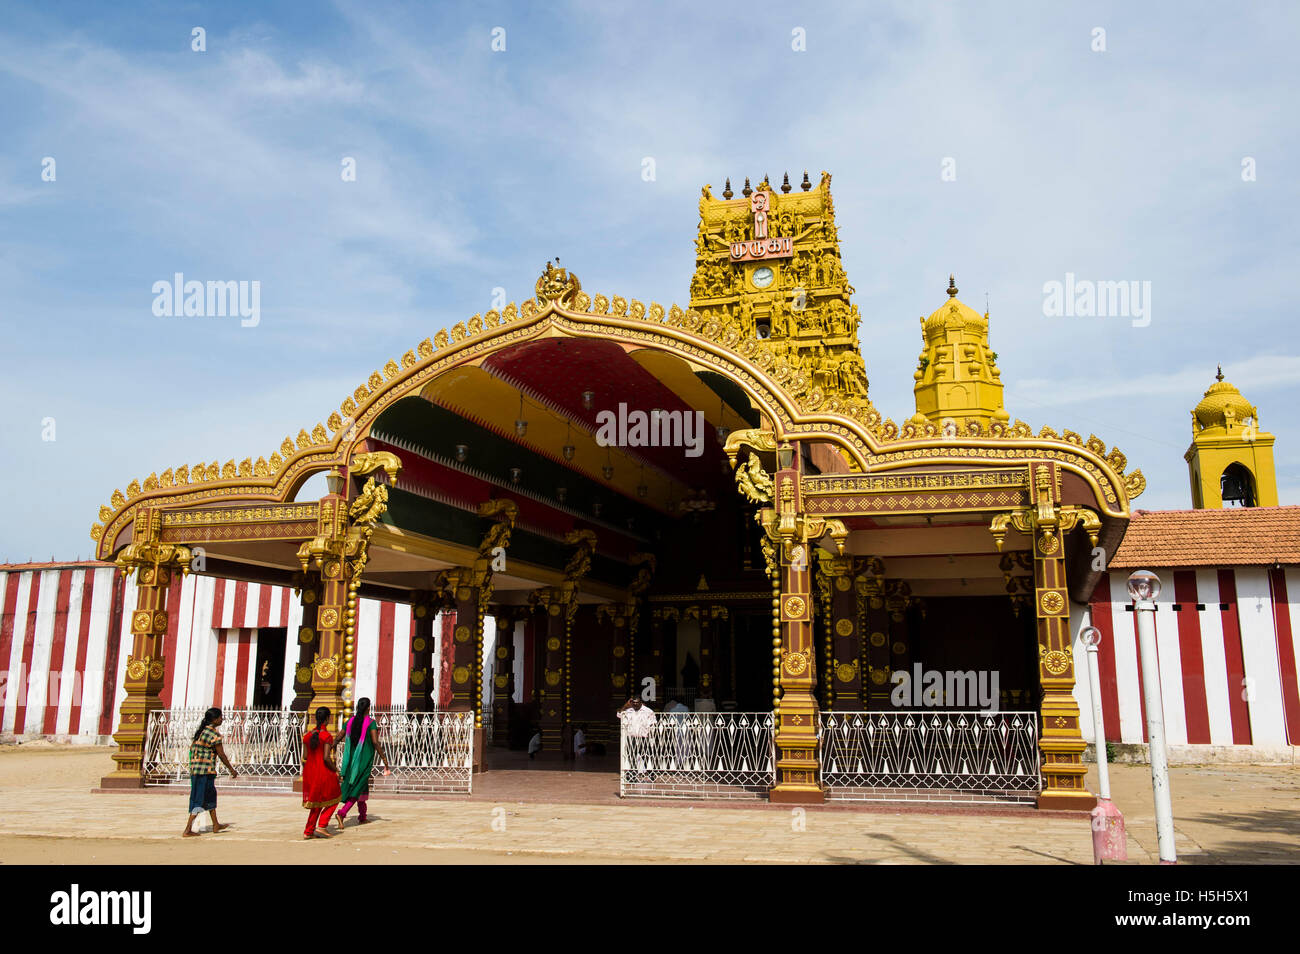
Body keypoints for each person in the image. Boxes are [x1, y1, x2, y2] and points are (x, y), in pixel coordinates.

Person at [335, 698, 390, 830]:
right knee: (357, 788)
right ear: (368, 708)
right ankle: (342, 813)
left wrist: (332, 745)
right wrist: (384, 759)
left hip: (350, 761)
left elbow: (339, 736)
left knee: (361, 787)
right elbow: (375, 742)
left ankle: (362, 817)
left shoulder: (349, 722)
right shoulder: (371, 723)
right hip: (363, 761)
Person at [183, 706, 237, 837]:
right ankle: (188, 829)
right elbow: (221, 754)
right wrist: (231, 769)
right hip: (204, 771)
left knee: (210, 796)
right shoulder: (213, 735)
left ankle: (215, 824)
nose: (222, 719)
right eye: (220, 717)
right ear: (215, 719)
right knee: (199, 799)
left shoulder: (201, 732)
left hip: (198, 770)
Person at [301, 706, 341, 839]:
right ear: (327, 719)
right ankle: (322, 825)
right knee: (335, 796)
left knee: (316, 801)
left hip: (310, 771)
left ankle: (309, 830)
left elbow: (305, 757)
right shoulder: (326, 736)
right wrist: (336, 770)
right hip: (323, 771)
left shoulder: (307, 736)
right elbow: (326, 757)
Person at [616, 697, 657, 782]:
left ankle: (651, 774)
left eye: (637, 702)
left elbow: (653, 723)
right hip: (632, 737)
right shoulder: (629, 711)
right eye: (633, 703)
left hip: (644, 738)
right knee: (632, 757)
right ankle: (632, 776)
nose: (635, 704)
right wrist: (626, 705)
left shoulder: (648, 711)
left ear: (641, 702)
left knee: (646, 757)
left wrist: (650, 735)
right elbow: (619, 715)